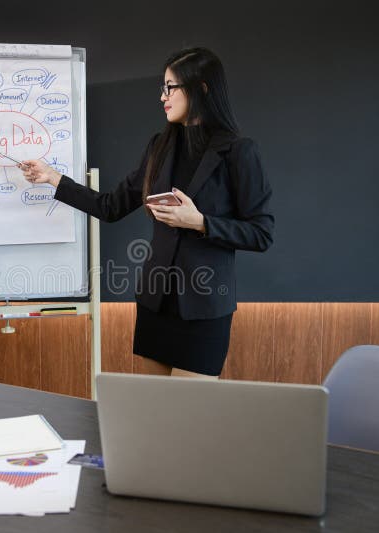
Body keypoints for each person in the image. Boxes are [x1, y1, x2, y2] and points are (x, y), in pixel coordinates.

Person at [21, 47, 274, 378]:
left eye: (170, 87)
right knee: (153, 413)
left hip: (203, 309)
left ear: (201, 89)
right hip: (156, 304)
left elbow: (261, 232)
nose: (162, 97)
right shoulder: (160, 146)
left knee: (184, 420)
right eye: (163, 88)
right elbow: (110, 207)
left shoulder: (238, 151)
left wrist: (200, 223)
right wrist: (53, 178)